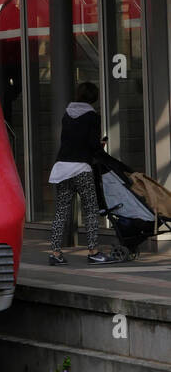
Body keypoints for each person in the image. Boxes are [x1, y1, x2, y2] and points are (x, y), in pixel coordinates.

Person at [47, 81, 116, 265]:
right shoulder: (92, 116)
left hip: (62, 167)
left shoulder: (67, 114)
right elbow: (92, 144)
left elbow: (68, 140)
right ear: (93, 98)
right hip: (81, 169)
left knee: (61, 211)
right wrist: (101, 147)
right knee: (91, 210)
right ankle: (93, 251)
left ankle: (54, 253)